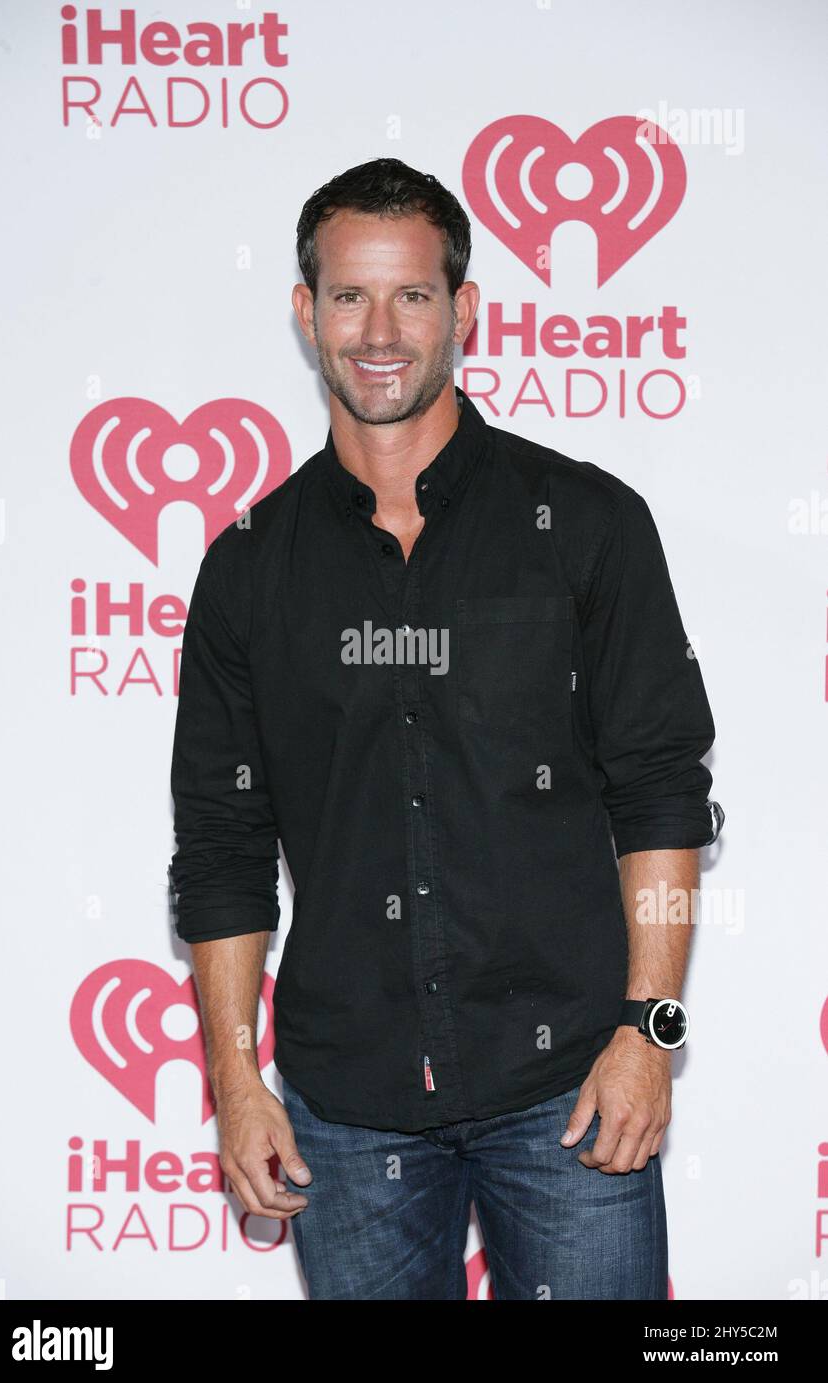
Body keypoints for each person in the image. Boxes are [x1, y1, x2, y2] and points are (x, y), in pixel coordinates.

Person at [167, 156, 723, 1300]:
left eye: (411, 295)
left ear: (463, 311)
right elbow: (222, 848)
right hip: (347, 1103)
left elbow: (659, 795)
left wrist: (648, 1035)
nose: (379, 330)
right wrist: (235, 1081)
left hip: (573, 1089)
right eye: (348, 296)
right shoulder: (249, 569)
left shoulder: (585, 525)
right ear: (304, 312)